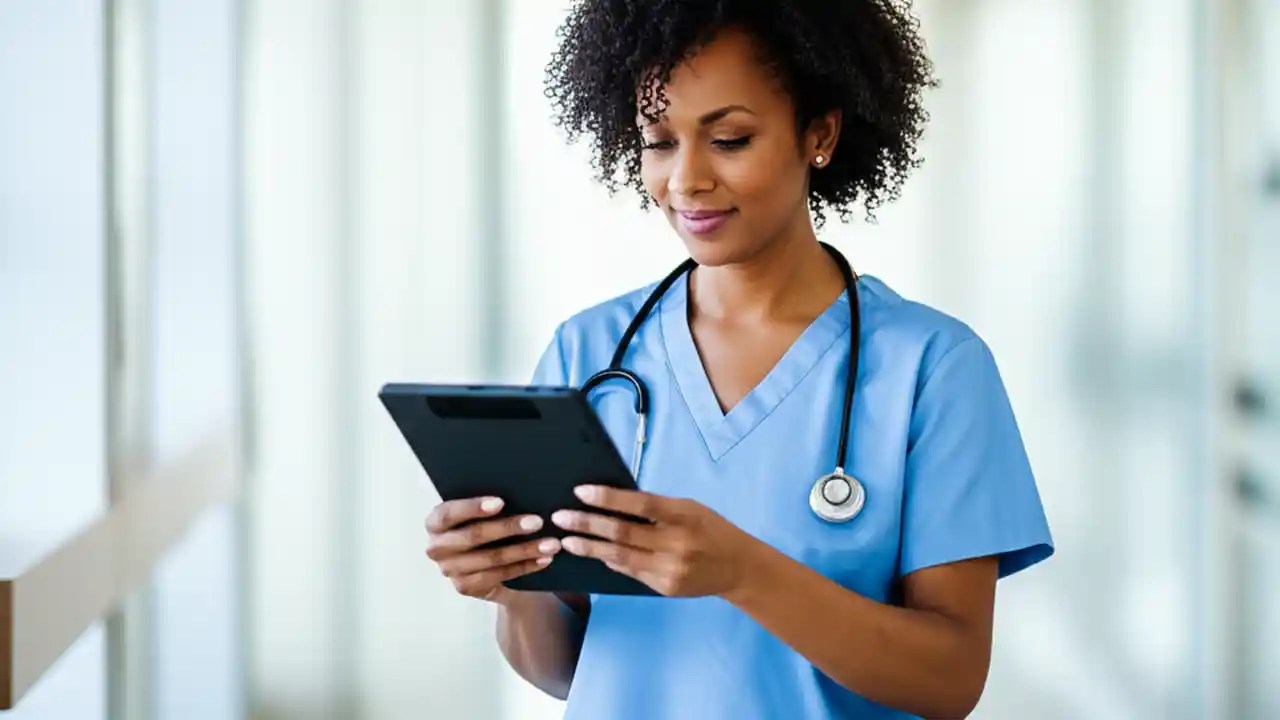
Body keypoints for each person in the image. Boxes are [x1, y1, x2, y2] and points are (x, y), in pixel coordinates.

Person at [422, 1, 1053, 717]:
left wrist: (743, 572)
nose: (686, 180)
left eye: (729, 138)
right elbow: (570, 668)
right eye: (658, 141)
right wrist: (510, 585)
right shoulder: (589, 352)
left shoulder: (932, 368)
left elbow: (950, 681)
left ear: (819, 133)